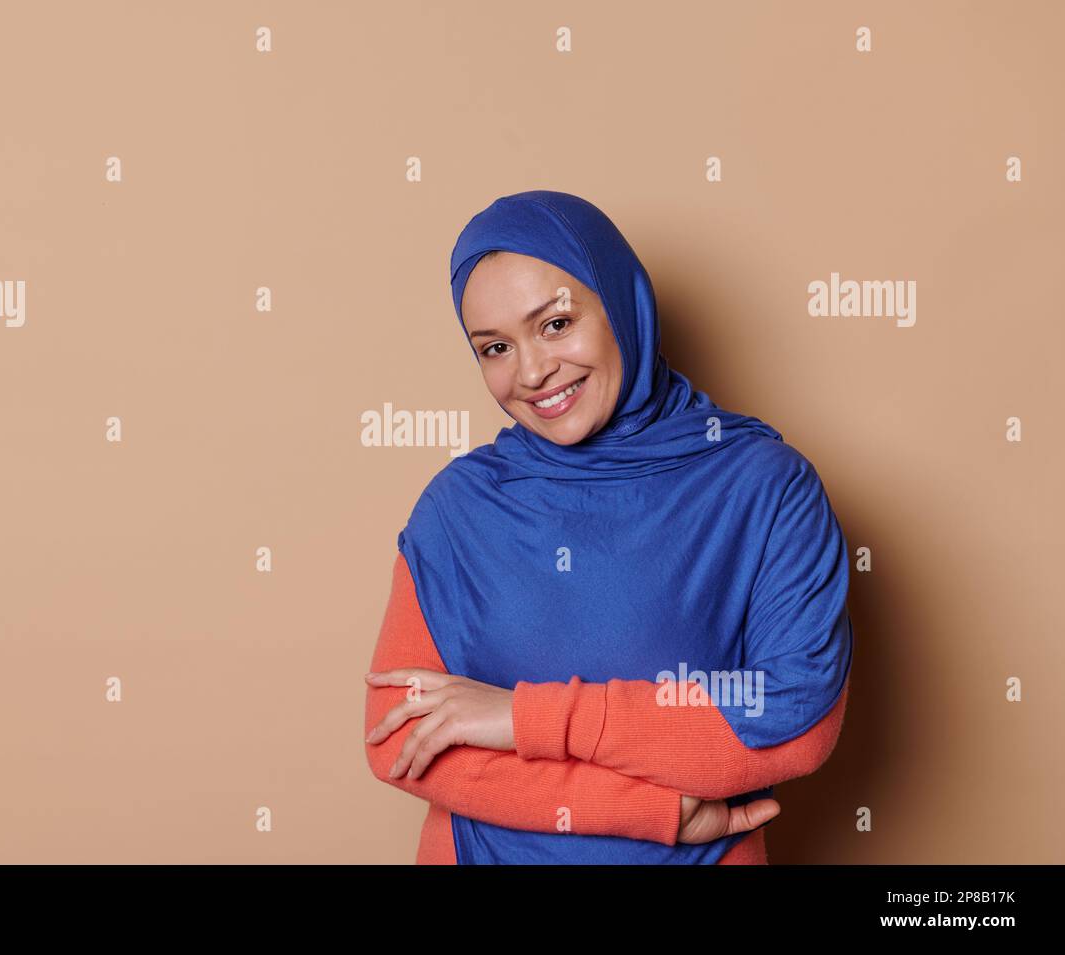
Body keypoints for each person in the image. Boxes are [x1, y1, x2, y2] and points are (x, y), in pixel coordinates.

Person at [363, 190, 854, 864]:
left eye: (557, 324)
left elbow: (793, 724)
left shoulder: (764, 487)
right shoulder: (458, 507)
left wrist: (518, 718)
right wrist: (648, 811)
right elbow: (397, 738)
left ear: (623, 304)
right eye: (495, 347)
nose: (532, 371)